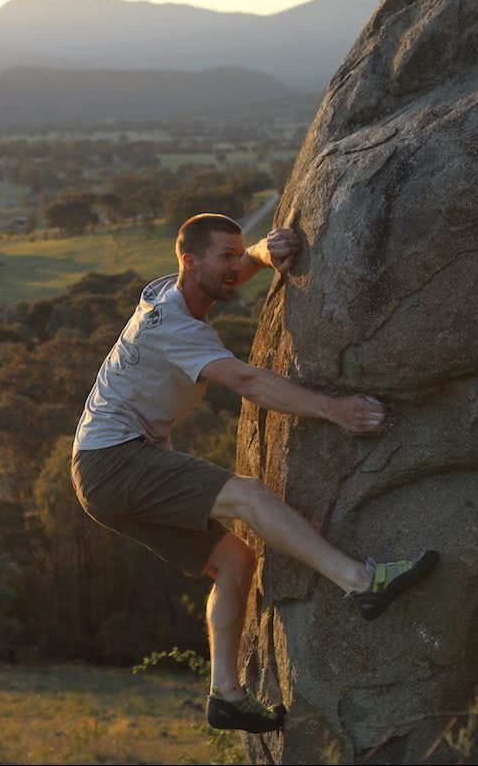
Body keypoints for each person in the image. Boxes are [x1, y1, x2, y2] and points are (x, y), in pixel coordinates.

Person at [71, 213, 437, 734]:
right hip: (114, 460)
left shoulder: (172, 290)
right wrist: (335, 410)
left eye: (234, 254)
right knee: (247, 495)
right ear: (189, 261)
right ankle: (360, 582)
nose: (232, 267)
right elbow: (248, 381)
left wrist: (264, 252)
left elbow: (235, 271)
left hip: (102, 469)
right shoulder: (172, 326)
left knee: (234, 559)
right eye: (223, 256)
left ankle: (226, 695)